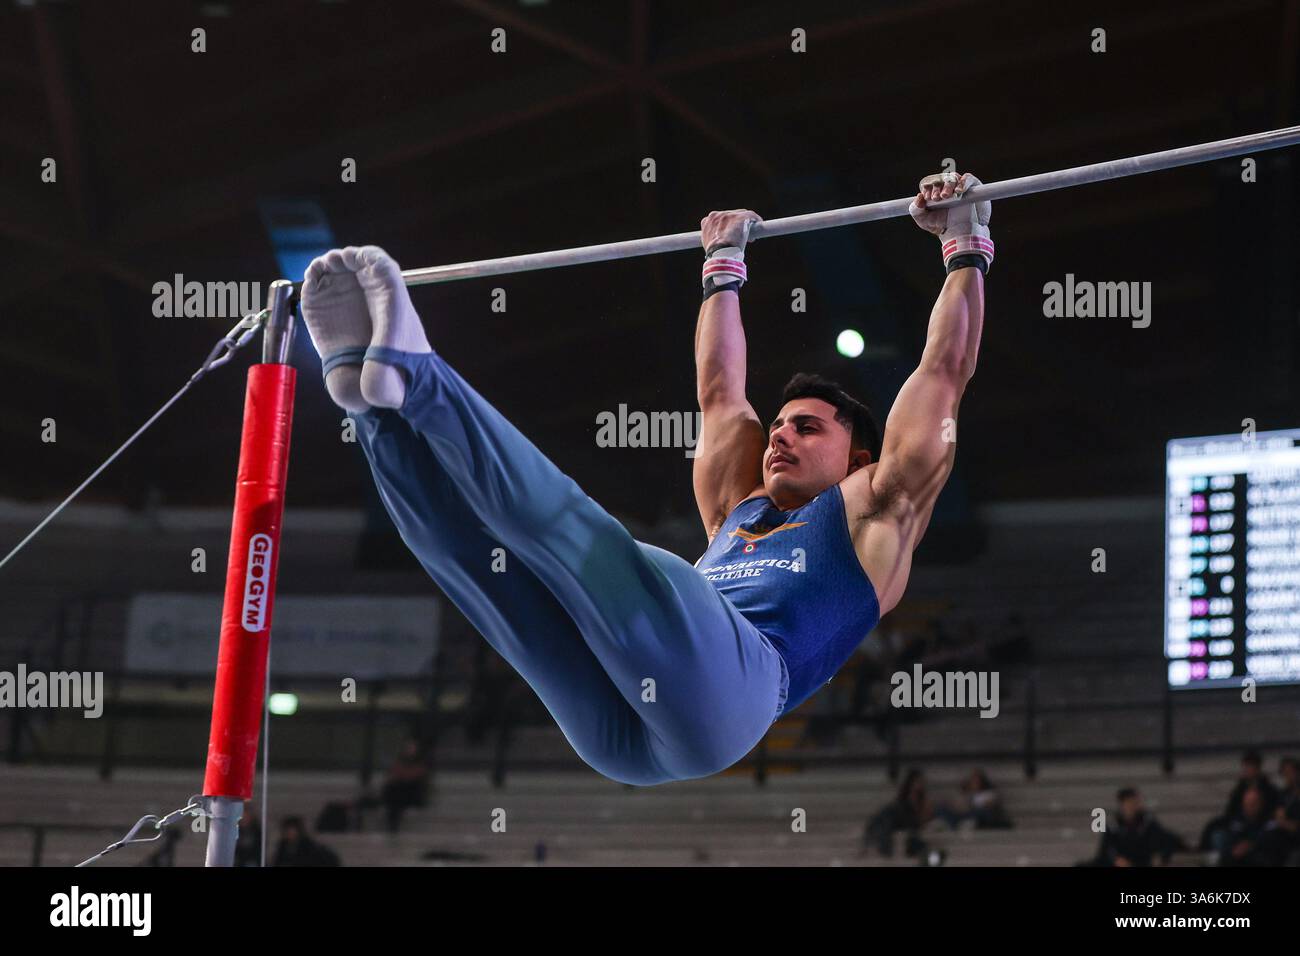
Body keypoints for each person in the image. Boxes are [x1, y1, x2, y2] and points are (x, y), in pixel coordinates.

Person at [298, 172, 990, 785]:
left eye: (808, 428)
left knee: (611, 554)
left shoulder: (877, 512)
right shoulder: (735, 509)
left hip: (735, 698)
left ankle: (419, 377)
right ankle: (373, 410)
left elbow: (943, 372)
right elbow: (721, 392)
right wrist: (723, 270)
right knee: (484, 571)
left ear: (859, 459)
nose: (780, 435)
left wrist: (963, 246)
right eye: (780, 424)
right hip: (630, 721)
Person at [1091, 787, 1184, 867]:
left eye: (1135, 802)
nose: (1133, 805)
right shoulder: (1113, 826)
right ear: (1122, 804)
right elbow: (1105, 850)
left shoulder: (1148, 822)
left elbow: (1163, 840)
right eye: (1129, 802)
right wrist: (1115, 859)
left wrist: (1160, 856)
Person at [272, 816, 341, 867]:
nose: (289, 833)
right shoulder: (283, 845)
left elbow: (308, 861)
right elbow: (278, 861)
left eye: (292, 830)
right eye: (287, 830)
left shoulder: (307, 845)